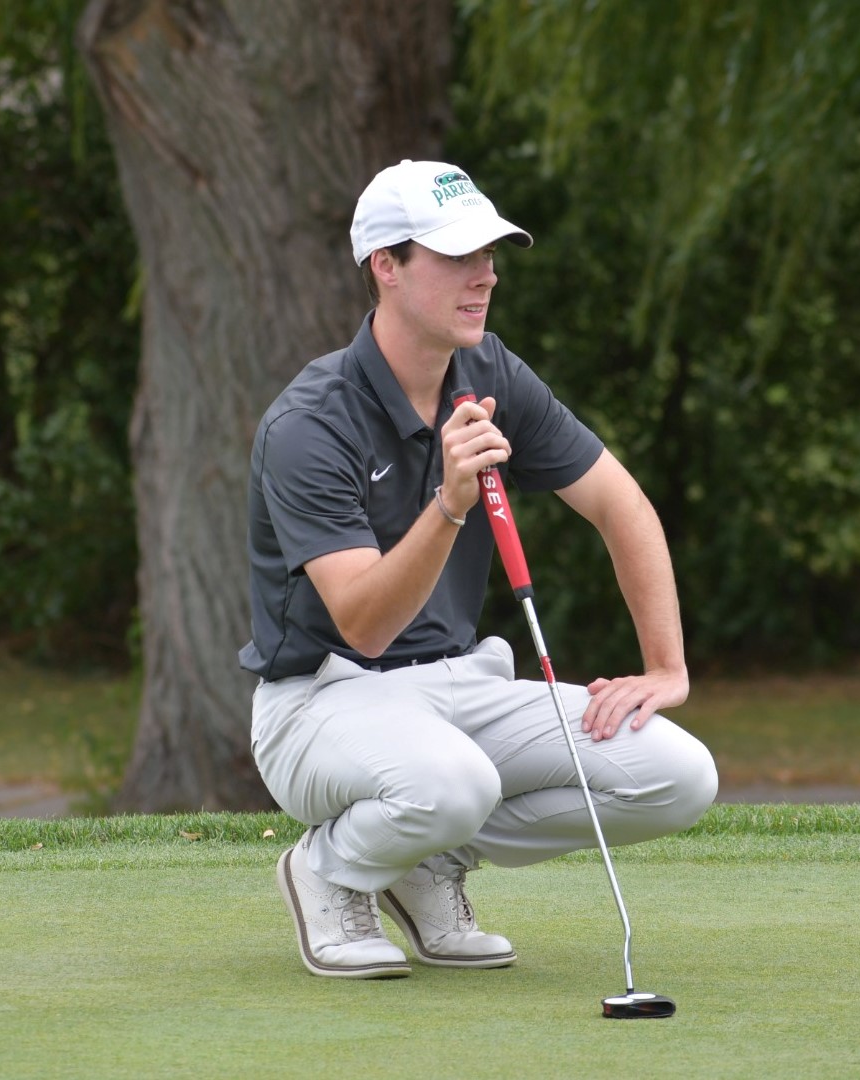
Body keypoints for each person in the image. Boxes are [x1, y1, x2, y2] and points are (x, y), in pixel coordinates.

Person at [240, 159, 718, 979]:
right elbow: (362, 622)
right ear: (384, 266)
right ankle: (328, 869)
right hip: (320, 700)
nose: (485, 274)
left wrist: (665, 668)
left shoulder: (490, 372)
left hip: (460, 685)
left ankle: (425, 866)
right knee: (454, 783)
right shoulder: (310, 423)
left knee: (677, 776)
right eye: (457, 256)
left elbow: (620, 506)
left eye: (490, 253)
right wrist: (449, 504)